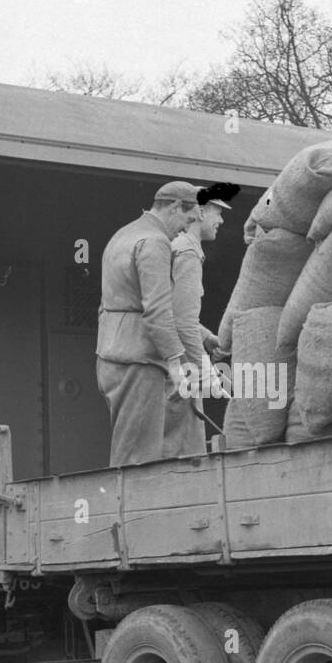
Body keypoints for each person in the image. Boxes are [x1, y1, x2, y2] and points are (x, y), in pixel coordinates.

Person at [96, 181, 201, 467]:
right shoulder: (155, 242)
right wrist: (177, 362)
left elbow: (122, 298)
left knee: (130, 448)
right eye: (188, 220)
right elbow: (156, 311)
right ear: (175, 206)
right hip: (139, 361)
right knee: (138, 461)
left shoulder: (124, 234)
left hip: (111, 356)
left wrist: (200, 334)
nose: (185, 229)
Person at [163, 191, 233, 457]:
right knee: (187, 447)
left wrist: (205, 336)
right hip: (178, 366)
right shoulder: (188, 252)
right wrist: (206, 374)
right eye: (218, 212)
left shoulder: (177, 246)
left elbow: (171, 309)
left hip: (168, 360)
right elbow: (183, 323)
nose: (222, 220)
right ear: (201, 212)